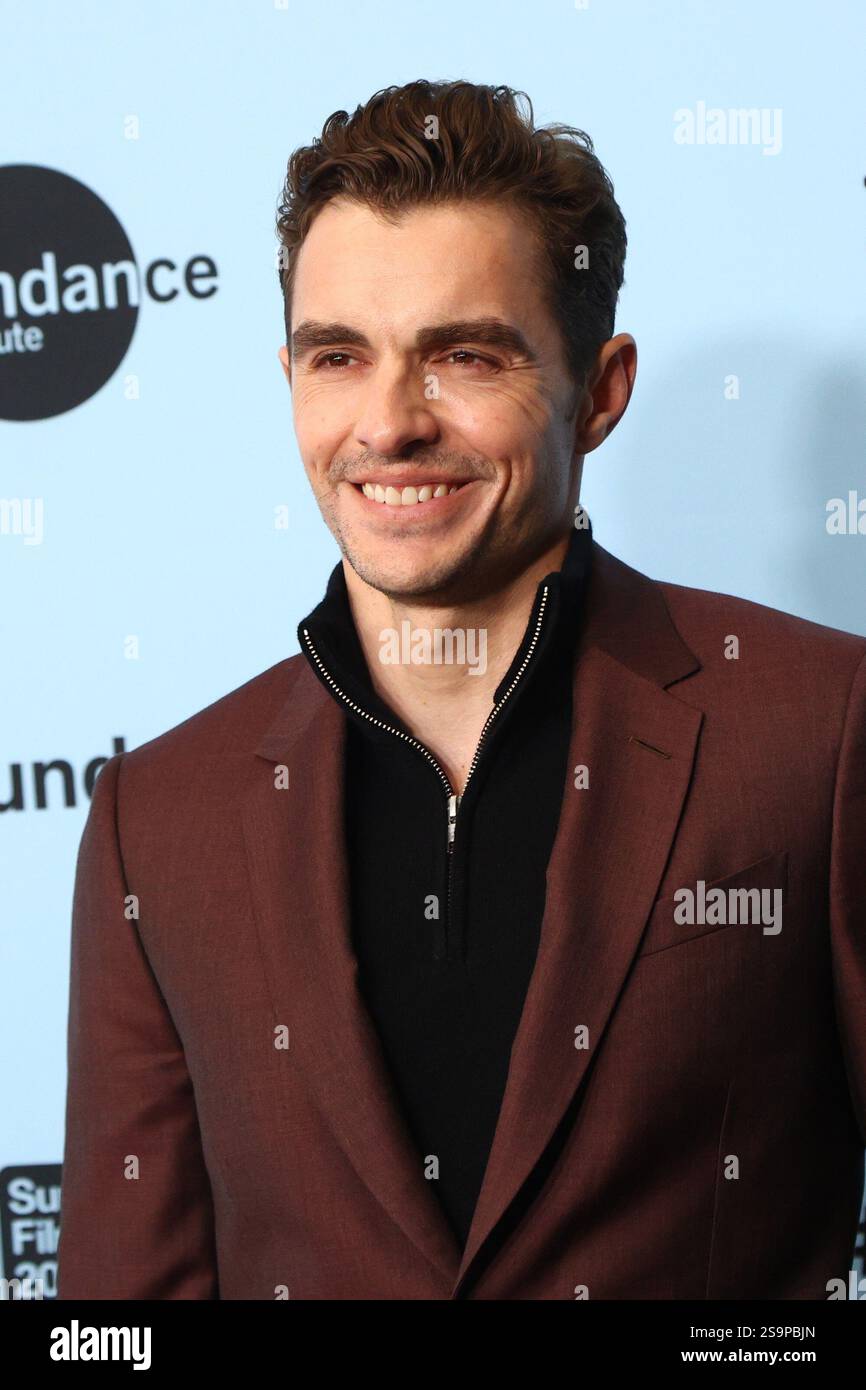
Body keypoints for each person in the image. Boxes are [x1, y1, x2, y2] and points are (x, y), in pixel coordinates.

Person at [57, 79, 866, 1301]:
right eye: (340, 356)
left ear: (598, 391)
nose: (388, 423)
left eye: (462, 356)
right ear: (289, 378)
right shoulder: (154, 821)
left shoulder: (817, 731)